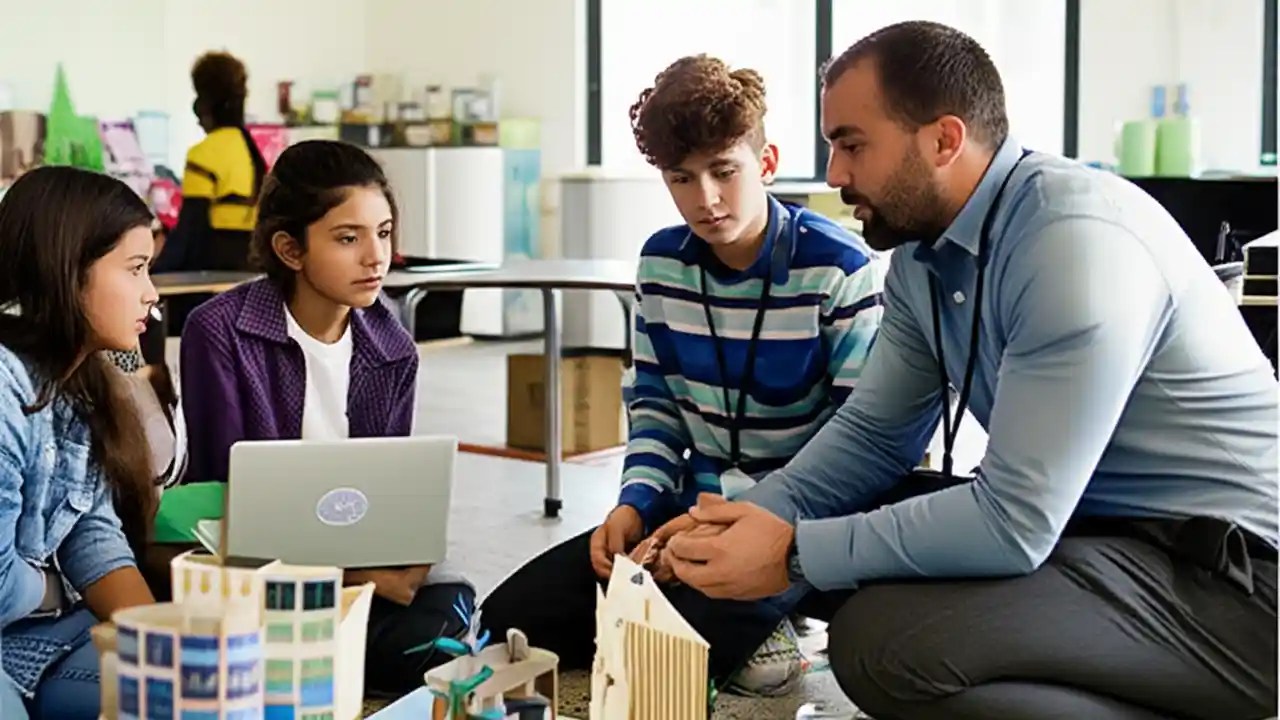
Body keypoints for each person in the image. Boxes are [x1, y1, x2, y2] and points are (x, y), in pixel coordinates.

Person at [655, 21, 1279, 720]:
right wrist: (752, 517)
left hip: (1240, 586)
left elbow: (1013, 519)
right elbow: (873, 433)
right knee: (873, 598)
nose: (834, 175)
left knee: (880, 645)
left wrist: (793, 552)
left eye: (851, 144)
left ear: (945, 140)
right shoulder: (926, 253)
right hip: (1107, 538)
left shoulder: (1072, 245)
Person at [480, 55, 885, 697]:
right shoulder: (662, 264)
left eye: (725, 172)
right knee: (507, 622)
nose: (707, 199)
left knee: (666, 655)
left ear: (768, 161)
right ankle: (735, 615)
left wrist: (742, 524)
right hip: (685, 510)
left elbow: (856, 437)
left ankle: (770, 613)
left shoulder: (837, 266)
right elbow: (656, 407)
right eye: (681, 179)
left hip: (797, 518)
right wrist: (633, 504)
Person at [177, 139, 474, 698]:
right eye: (348, 238)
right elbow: (226, 504)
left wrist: (400, 560)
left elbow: (386, 494)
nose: (375, 257)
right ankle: (324, 657)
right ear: (290, 249)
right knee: (422, 650)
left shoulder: (392, 348)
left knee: (451, 608)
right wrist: (361, 578)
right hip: (255, 578)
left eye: (383, 233)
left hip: (354, 577)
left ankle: (326, 657)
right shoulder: (218, 331)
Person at [0, 166, 162, 719]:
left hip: (48, 633)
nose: (152, 294)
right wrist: (59, 589)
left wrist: (168, 645)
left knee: (189, 698)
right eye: (136, 269)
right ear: (67, 272)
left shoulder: (79, 384)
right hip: (17, 634)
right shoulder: (3, 384)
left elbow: (91, 532)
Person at [149, 50, 267, 354]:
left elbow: (192, 229)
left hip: (209, 275)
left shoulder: (204, 153)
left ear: (205, 103)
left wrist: (152, 272)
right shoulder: (252, 151)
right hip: (248, 269)